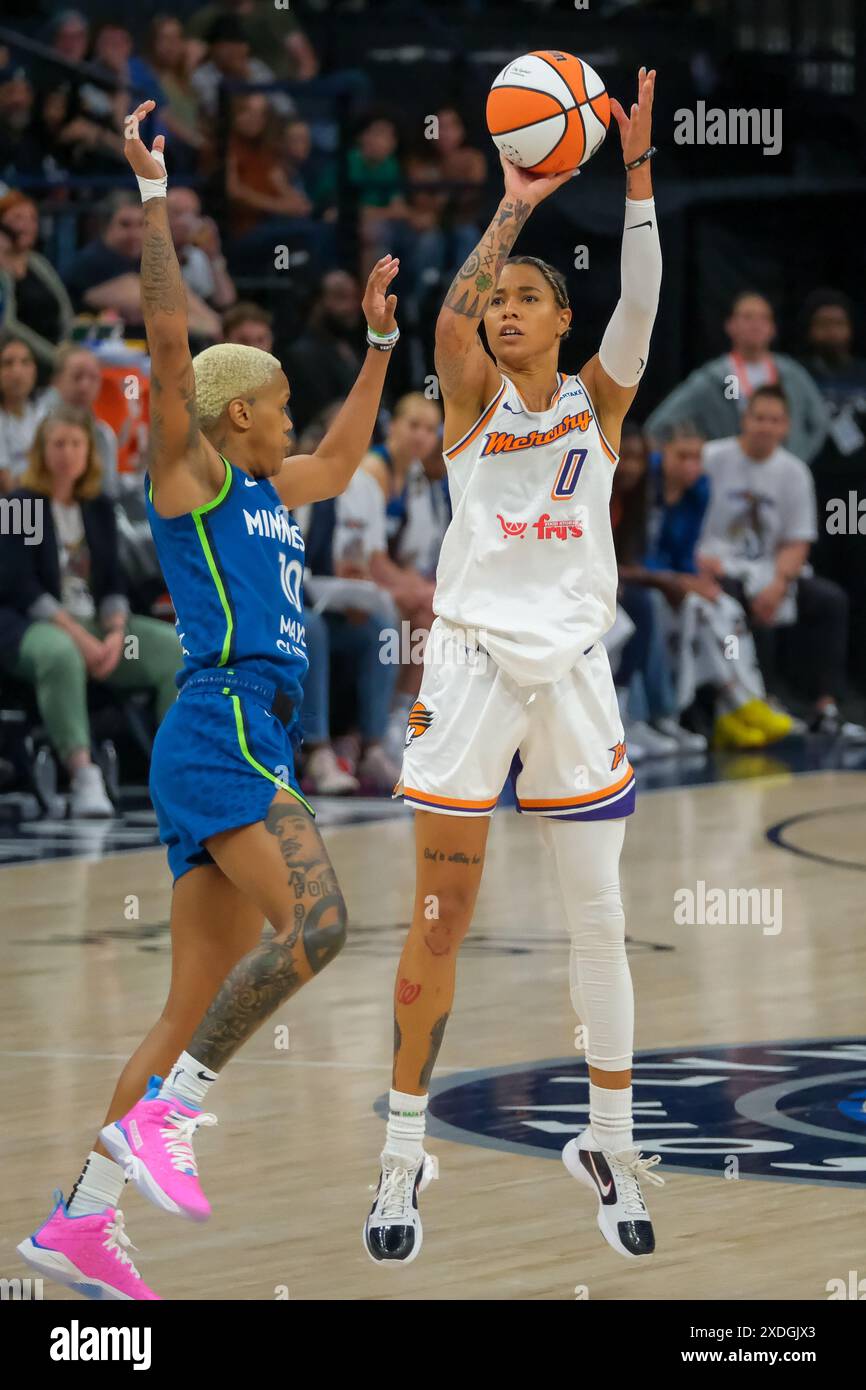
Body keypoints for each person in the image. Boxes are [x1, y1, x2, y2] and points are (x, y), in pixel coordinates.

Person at [17, 100, 400, 1301]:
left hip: (242, 736)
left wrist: (379, 346)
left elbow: (341, 458)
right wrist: (151, 197)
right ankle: (168, 1118)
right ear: (238, 415)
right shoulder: (193, 475)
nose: (293, 422)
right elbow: (172, 347)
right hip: (222, 720)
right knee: (319, 928)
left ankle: (80, 1216)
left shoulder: (278, 490)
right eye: (280, 405)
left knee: (189, 1006)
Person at [363, 68, 665, 1267]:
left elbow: (641, 298)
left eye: (525, 299)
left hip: (574, 672)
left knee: (601, 917)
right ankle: (401, 1153)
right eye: (497, 300)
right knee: (439, 918)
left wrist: (635, 178)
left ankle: (609, 1141)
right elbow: (442, 326)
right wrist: (513, 202)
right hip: (473, 666)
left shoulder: (598, 404)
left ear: (561, 322)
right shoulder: (471, 407)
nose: (502, 311)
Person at [0, 405, 181, 816]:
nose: (67, 453)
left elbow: (114, 581)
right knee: (62, 654)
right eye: (58, 444)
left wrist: (116, 634)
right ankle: (84, 774)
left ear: (89, 452)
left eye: (75, 444)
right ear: (42, 450)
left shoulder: (98, 505)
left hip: (100, 629)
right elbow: (19, 585)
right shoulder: (20, 504)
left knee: (172, 650)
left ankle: (173, 770)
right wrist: (80, 637)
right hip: (34, 627)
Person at [696, 384, 864, 739]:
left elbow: (798, 540)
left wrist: (778, 583)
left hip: (770, 568)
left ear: (786, 426)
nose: (766, 427)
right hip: (715, 565)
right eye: (759, 418)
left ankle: (825, 705)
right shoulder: (711, 458)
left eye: (774, 420)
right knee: (736, 597)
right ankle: (749, 701)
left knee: (830, 601)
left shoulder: (795, 471)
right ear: (745, 419)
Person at [646, 290, 829, 464]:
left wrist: (797, 456)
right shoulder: (713, 378)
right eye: (747, 317)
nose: (756, 324)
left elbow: (820, 421)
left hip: (780, 471)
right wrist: (700, 457)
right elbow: (659, 426)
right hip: (727, 474)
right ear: (730, 325)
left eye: (763, 318)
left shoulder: (791, 375)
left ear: (773, 328)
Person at [0, 191, 74, 372]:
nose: (28, 225)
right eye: (18, 218)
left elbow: (64, 308)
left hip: (56, 354)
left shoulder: (38, 262)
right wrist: (54, 357)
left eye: (33, 219)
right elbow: (7, 325)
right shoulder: (3, 272)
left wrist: (66, 348)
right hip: (17, 360)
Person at [37, 343, 119, 498]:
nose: (84, 386)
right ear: (56, 381)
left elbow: (108, 493)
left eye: (93, 378)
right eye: (77, 377)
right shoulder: (36, 424)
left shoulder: (103, 435)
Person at [0, 333, 44, 491]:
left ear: (34, 371)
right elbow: (7, 485)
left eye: (25, 362)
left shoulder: (43, 413)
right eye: (8, 363)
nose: (17, 371)